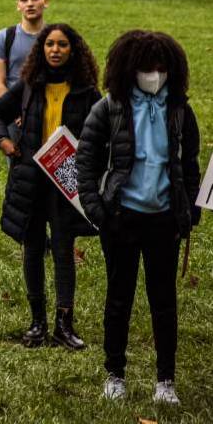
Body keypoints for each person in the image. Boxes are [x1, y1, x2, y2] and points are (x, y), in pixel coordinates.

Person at [78, 30, 201, 407]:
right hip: (121, 219)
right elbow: (85, 162)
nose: (154, 74)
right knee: (119, 300)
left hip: (164, 220)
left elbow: (190, 164)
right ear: (129, 69)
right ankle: (114, 373)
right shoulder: (108, 108)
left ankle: (166, 380)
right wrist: (98, 211)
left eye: (161, 68)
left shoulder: (180, 109)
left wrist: (190, 209)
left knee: (164, 302)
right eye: (146, 68)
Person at [0, 22, 99, 349]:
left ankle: (65, 324)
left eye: (62, 45)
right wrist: (3, 140)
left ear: (73, 50)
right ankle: (37, 323)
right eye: (50, 44)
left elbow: (104, 130)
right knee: (33, 249)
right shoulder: (28, 86)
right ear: (41, 49)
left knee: (63, 250)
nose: (55, 50)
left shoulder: (87, 92)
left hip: (66, 183)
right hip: (31, 180)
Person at [0, 0, 50, 99]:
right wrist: (14, 110)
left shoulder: (55, 37)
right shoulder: (4, 37)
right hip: (14, 106)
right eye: (24, 0)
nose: (30, 4)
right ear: (18, 5)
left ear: (45, 2)